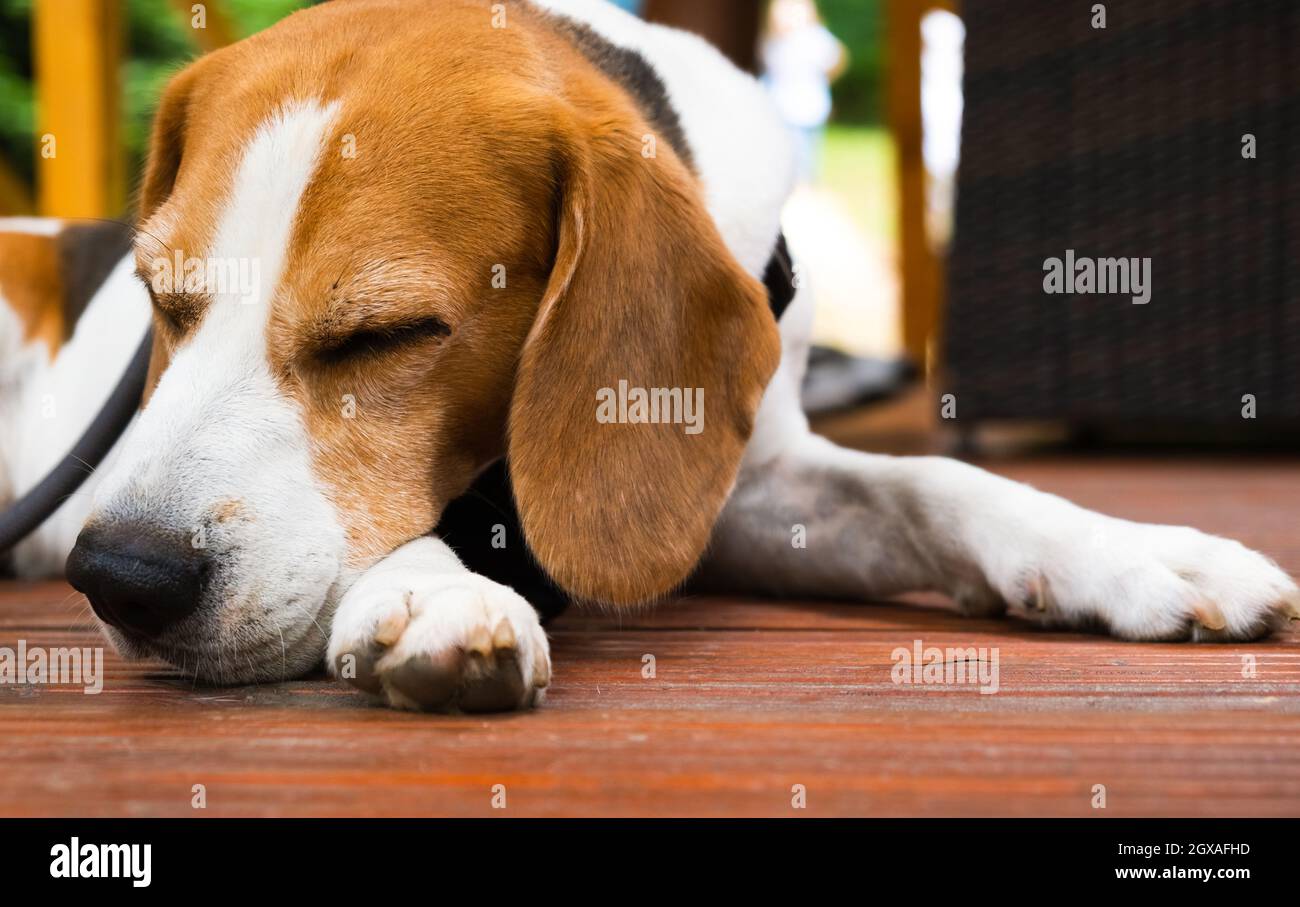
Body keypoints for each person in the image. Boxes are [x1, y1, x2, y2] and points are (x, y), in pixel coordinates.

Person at [761, 0, 847, 184]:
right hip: (783, 109)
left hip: (808, 109)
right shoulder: (775, 42)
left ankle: (804, 190)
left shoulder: (813, 38)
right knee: (790, 158)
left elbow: (836, 59)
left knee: (806, 159)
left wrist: (824, 82)